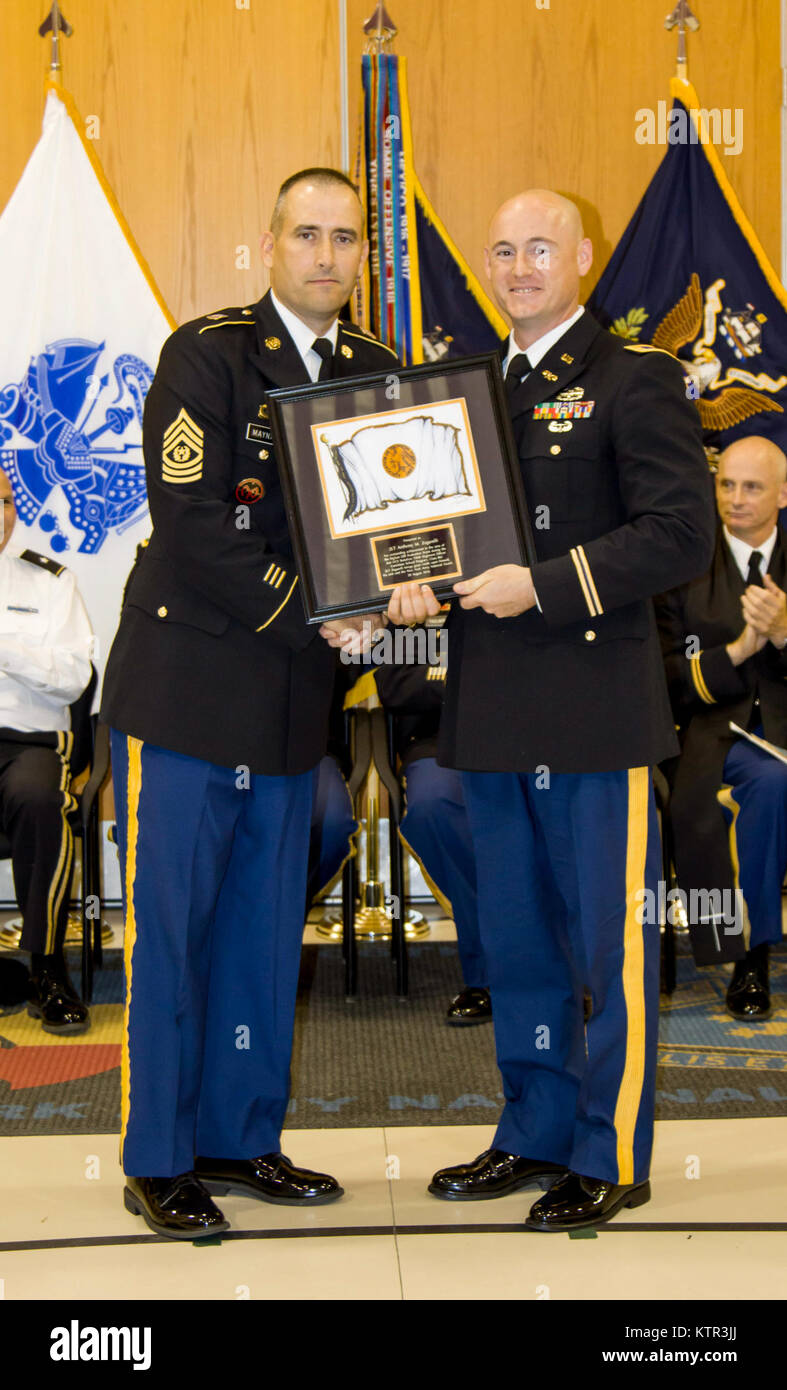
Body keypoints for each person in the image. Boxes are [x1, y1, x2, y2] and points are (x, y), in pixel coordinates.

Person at [388, 189, 715, 1232]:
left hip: (591, 710)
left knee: (603, 948)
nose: (519, 265)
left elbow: (678, 535)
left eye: (539, 246)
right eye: (502, 249)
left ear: (581, 253)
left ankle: (607, 1149)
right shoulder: (467, 388)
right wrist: (393, 581)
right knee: (518, 940)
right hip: (489, 706)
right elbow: (431, 529)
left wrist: (550, 580)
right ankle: (530, 1129)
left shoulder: (636, 379)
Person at [101, 168, 398, 1240]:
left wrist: (396, 588)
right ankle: (159, 1156)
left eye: (346, 239)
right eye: (307, 234)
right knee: (173, 937)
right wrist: (322, 613)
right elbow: (192, 523)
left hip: (288, 700)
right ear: (267, 243)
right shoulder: (207, 355)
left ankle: (241, 1136)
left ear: (363, 254)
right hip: (185, 693)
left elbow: (399, 518)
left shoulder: (377, 371)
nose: (327, 255)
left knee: (264, 936)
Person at [656, 435, 787, 1019]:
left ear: (782, 494)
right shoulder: (682, 559)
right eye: (725, 484)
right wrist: (735, 652)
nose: (734, 499)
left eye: (752, 487)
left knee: (773, 782)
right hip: (710, 729)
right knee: (744, 793)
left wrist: (784, 634)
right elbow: (656, 673)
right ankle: (749, 953)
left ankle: (749, 946)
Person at [308, 629, 491, 1024]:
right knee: (434, 804)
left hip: (547, 725)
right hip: (440, 734)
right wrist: (493, 676)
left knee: (564, 801)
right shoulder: (411, 572)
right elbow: (400, 682)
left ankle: (561, 965)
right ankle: (257, 964)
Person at [0, 466, 94, 1032]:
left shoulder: (49, 582)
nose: (2, 514)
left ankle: (47, 968)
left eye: (7, 501)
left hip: (27, 744)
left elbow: (72, 680)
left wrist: (5, 646)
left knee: (41, 800)